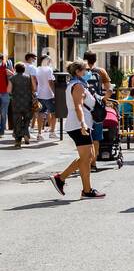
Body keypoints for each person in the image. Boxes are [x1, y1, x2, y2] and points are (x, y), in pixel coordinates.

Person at [49, 60, 104, 198]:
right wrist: (83, 123)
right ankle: (61, 178)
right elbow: (78, 106)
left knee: (88, 157)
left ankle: (86, 189)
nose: (88, 72)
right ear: (78, 72)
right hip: (79, 125)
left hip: (80, 124)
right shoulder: (78, 86)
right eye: (85, 70)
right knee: (87, 157)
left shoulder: (78, 85)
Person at [9, 62, 35, 148]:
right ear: (24, 69)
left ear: (16, 69)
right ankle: (26, 136)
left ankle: (18, 141)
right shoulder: (28, 77)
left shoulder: (12, 78)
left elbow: (8, 90)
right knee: (27, 120)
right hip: (27, 102)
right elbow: (34, 89)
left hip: (16, 103)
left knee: (17, 121)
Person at [31, 54, 55, 141]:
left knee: (40, 114)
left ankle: (39, 133)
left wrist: (35, 90)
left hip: (40, 93)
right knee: (54, 113)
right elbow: (50, 82)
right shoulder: (49, 70)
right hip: (49, 94)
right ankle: (52, 132)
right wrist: (54, 93)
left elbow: (34, 80)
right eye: (49, 60)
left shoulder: (37, 69)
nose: (50, 62)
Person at [0, 51, 10, 141]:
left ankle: (1, 131)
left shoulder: (6, 66)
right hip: (4, 93)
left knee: (3, 113)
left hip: (5, 93)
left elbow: (13, 76)